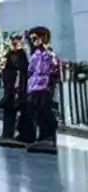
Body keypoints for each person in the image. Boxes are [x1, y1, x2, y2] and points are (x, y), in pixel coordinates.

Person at [0, 34, 32, 147]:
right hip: (11, 88)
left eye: (17, 40)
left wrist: (18, 88)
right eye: (13, 40)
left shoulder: (21, 54)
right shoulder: (11, 54)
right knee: (9, 111)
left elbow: (21, 71)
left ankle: (24, 134)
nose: (15, 42)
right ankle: (8, 133)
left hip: (17, 88)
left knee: (19, 111)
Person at [25, 26, 60, 154]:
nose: (33, 41)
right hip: (34, 86)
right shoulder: (35, 54)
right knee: (35, 111)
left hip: (44, 86)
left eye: (35, 38)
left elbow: (53, 67)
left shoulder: (48, 54)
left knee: (44, 110)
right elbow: (31, 70)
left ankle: (49, 136)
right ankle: (43, 136)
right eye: (31, 39)